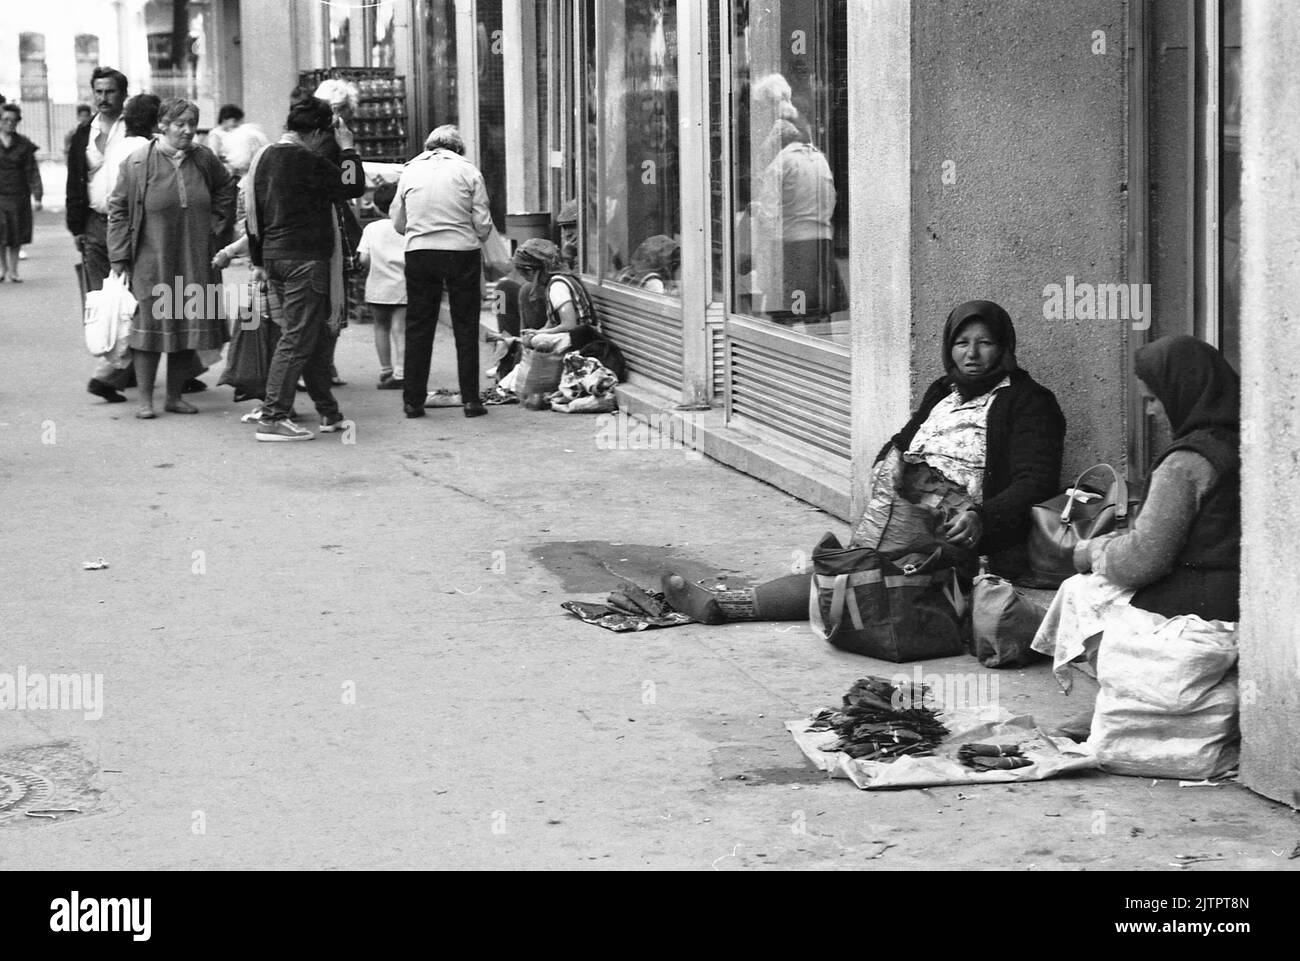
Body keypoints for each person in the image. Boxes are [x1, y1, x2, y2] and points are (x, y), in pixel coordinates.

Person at [663, 300, 1066, 622]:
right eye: (961, 343)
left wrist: (981, 517)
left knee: (857, 573)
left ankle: (728, 605)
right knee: (859, 568)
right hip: (908, 511)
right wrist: (889, 470)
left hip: (965, 533)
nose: (972, 354)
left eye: (985, 342)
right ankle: (730, 603)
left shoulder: (1030, 402)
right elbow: (903, 439)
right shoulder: (944, 389)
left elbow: (1036, 482)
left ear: (1004, 346)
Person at [1031, 335, 1240, 737]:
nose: (1151, 410)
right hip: (1241, 592)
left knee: (1080, 591)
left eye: (1154, 399)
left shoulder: (1186, 462)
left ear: (1182, 393)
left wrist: (1092, 551)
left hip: (1203, 601)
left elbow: (1143, 560)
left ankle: (1121, 699)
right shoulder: (1248, 442)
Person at [108, 98, 236, 420]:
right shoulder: (138, 162)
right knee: (149, 328)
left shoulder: (204, 158)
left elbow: (226, 188)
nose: (188, 130)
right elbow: (118, 209)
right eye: (181, 124)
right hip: (152, 258)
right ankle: (145, 401)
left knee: (187, 324)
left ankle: (175, 397)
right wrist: (119, 254)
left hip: (195, 256)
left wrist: (218, 223)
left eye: (192, 124)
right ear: (162, 125)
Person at [247, 94, 364, 441]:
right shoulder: (308, 160)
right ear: (316, 132)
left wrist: (258, 260)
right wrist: (348, 148)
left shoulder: (264, 157)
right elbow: (352, 185)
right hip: (305, 260)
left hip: (275, 257)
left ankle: (328, 411)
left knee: (308, 335)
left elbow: (254, 214)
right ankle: (273, 416)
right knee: (298, 338)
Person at [391, 124, 493, 419]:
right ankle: (471, 401)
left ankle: (413, 402)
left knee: (419, 325)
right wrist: (471, 234)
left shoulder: (410, 170)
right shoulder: (469, 170)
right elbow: (483, 222)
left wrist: (420, 230)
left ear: (428, 147)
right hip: (462, 252)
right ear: (458, 149)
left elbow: (398, 221)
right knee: (466, 324)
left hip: (420, 252)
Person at [356, 181, 406, 389]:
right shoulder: (407, 227)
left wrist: (377, 266)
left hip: (378, 285)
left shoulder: (371, 228)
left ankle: (385, 370)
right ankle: (401, 372)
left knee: (380, 327)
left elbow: (363, 259)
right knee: (400, 328)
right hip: (404, 285)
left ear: (376, 207)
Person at [0, 104, 42, 283]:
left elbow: (32, 170)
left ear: (18, 122)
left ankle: (14, 271)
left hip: (19, 196)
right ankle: (2, 269)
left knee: (16, 234)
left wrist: (38, 196)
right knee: (0, 233)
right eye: (5, 120)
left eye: (13, 120)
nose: (9, 123)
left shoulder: (24, 144)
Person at [205, 103, 268, 178]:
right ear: (224, 119)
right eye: (235, 121)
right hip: (226, 172)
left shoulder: (236, 132)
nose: (237, 124)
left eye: (239, 121)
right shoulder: (216, 134)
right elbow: (214, 156)